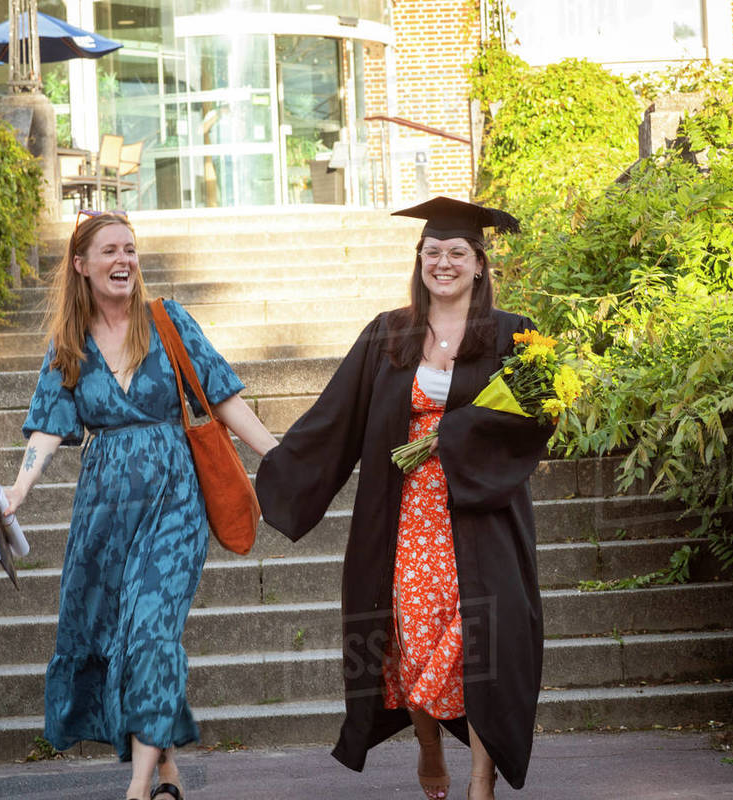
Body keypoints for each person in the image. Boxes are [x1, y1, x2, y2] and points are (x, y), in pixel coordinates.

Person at [254, 197, 554, 800]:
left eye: (457, 253)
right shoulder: (389, 333)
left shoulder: (512, 333)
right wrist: (276, 460)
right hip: (407, 516)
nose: (443, 263)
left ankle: (480, 779)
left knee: (485, 642)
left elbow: (539, 417)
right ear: (420, 259)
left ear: (479, 263)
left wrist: (457, 432)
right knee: (412, 642)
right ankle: (428, 745)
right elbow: (335, 417)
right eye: (433, 252)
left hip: (481, 511)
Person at [0, 210, 278, 800]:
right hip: (105, 512)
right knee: (124, 636)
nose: (123, 260)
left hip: (176, 500)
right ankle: (167, 768)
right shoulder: (69, 344)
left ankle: (138, 788)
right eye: (109, 251)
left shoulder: (166, 320)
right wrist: (18, 490)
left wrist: (276, 455)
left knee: (152, 631)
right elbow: (48, 428)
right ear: (81, 265)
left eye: (130, 249)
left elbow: (222, 396)